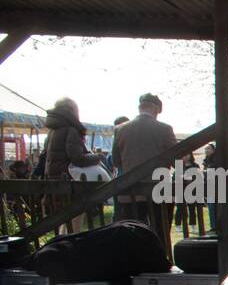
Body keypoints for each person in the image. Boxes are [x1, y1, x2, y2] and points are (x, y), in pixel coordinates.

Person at [112, 93, 177, 240]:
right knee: (160, 234)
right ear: (155, 109)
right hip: (159, 191)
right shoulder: (165, 129)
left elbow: (116, 161)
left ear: (140, 107)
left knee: (133, 236)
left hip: (130, 192)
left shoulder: (120, 129)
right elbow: (176, 159)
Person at [43, 97, 102, 234]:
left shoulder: (52, 131)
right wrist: (97, 157)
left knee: (64, 222)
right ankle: (69, 246)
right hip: (70, 182)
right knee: (75, 221)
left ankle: (61, 244)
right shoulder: (71, 130)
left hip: (55, 181)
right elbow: (77, 158)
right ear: (72, 111)